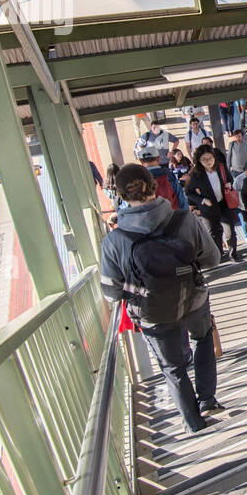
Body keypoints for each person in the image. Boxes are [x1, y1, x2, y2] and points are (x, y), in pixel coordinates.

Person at [100, 163, 223, 434]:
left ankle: (193, 423)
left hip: (151, 312)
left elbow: (111, 292)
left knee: (172, 368)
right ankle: (208, 400)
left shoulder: (115, 240)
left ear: (120, 195)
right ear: (154, 185)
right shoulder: (185, 220)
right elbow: (213, 258)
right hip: (193, 299)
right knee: (202, 339)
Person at [185, 143, 244, 262]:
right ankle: (218, 255)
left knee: (230, 231)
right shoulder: (196, 175)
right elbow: (189, 192)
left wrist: (229, 184)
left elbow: (230, 179)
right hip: (208, 208)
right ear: (199, 160)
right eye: (204, 159)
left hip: (223, 203)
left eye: (210, 158)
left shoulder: (221, 168)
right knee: (213, 233)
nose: (208, 161)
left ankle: (233, 254)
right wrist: (202, 200)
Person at [138, 144, 189, 211]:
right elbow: (181, 199)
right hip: (171, 216)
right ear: (158, 158)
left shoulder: (137, 180)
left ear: (141, 161)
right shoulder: (169, 175)